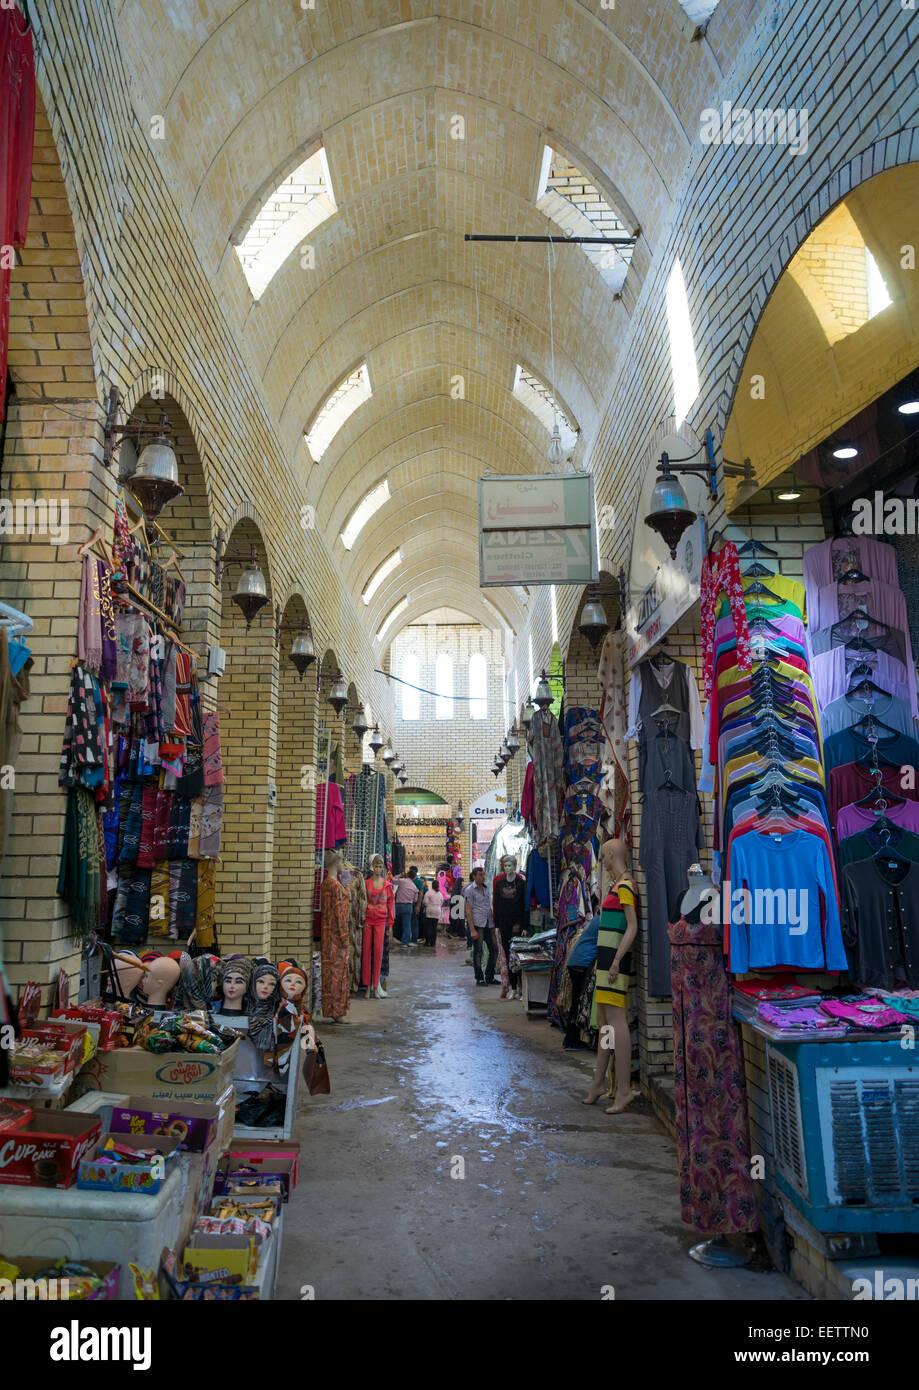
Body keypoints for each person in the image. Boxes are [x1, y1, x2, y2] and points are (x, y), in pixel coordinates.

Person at [583, 838, 639, 1113]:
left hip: (615, 963)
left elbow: (632, 927)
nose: (602, 861)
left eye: (604, 856)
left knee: (617, 1023)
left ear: (612, 854)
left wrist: (617, 960)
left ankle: (624, 1090)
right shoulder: (617, 885)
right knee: (605, 1023)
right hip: (606, 963)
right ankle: (600, 1082)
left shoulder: (626, 885)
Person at [491, 854, 528, 999]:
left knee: (518, 955)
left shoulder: (520, 883)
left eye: (510, 865)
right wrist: (496, 924)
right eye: (505, 865)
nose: (507, 868)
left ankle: (520, 988)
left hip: (517, 923)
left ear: (514, 866)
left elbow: (524, 905)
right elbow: (497, 905)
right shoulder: (499, 884)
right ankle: (513, 987)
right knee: (507, 956)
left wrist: (524, 924)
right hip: (504, 924)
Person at [463, 863, 497, 986]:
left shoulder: (487, 888)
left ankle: (490, 976)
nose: (483, 877)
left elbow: (489, 906)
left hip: (489, 923)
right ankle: (479, 978)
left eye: (483, 874)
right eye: (480, 875)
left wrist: (494, 922)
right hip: (477, 924)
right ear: (474, 876)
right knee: (478, 952)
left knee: (494, 950)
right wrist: (472, 929)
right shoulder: (469, 890)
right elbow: (468, 910)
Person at [393, 866, 420, 948]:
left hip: (398, 905)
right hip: (408, 907)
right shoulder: (415, 888)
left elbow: (392, 880)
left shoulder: (402, 881)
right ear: (414, 877)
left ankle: (392, 937)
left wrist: (400, 875)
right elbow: (415, 900)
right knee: (407, 925)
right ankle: (405, 942)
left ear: (407, 875)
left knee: (392, 921)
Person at [421, 878, 443, 948]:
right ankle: (433, 943)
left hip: (430, 910)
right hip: (437, 911)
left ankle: (427, 942)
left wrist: (427, 905)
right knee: (434, 927)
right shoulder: (440, 894)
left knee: (428, 927)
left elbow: (425, 902)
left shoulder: (429, 892)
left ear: (432, 886)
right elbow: (441, 902)